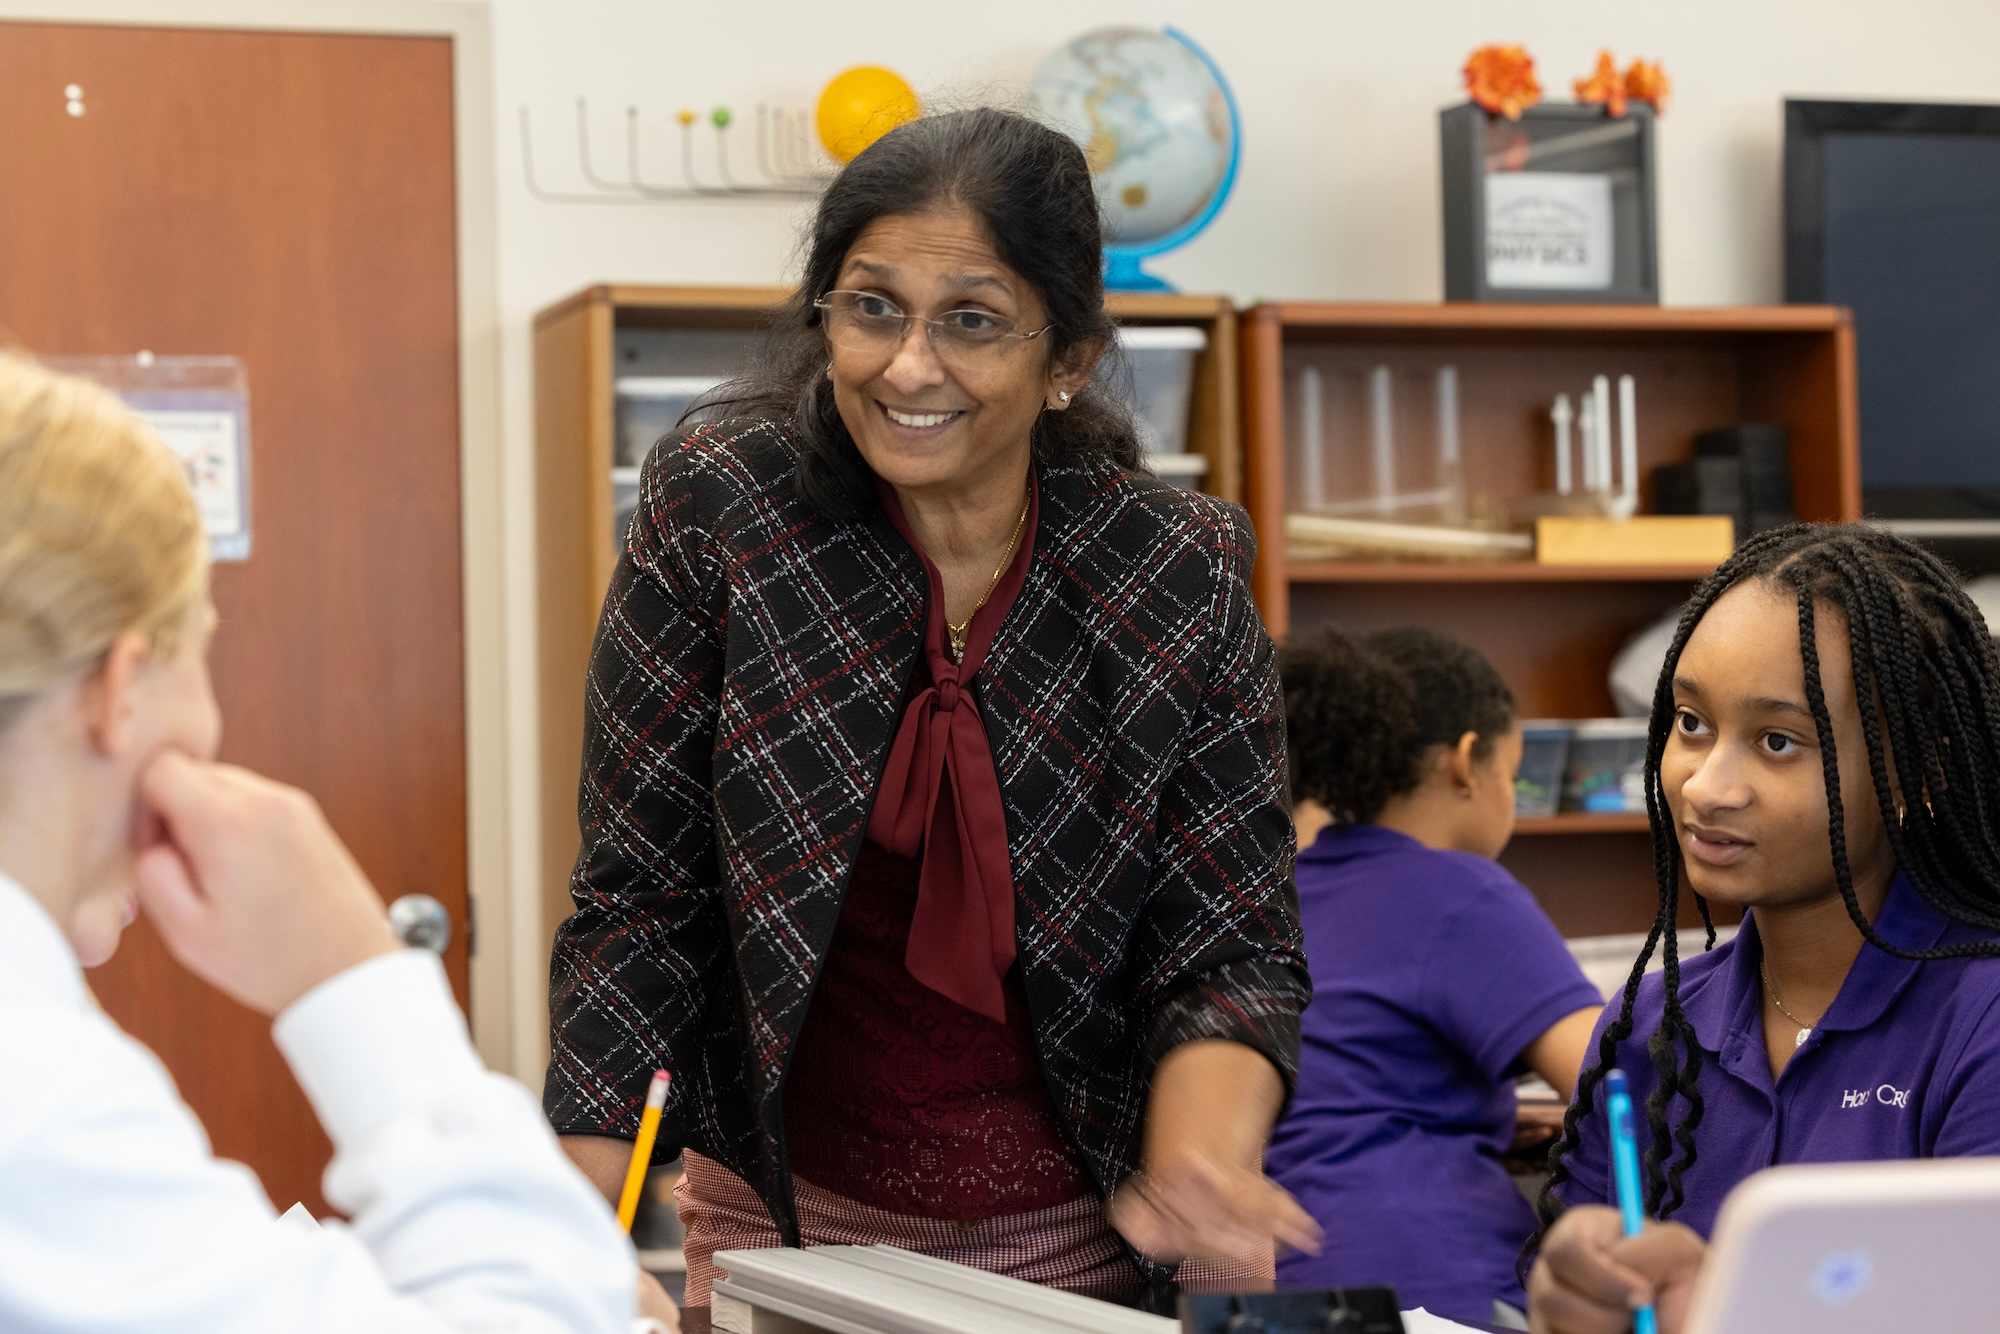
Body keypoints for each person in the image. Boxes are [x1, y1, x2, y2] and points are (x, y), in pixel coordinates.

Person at [543, 106, 1317, 1315]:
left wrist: (1200, 1157)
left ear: (1066, 360)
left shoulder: (1174, 564)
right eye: (871, 308)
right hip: (788, 1232)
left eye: (971, 319)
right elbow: (641, 898)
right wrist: (554, 1237)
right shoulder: (722, 509)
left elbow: (1227, 938)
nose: (907, 366)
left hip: (1097, 1244)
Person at [0, 354, 641, 1332]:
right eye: (200, 651)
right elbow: (555, 1312)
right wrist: (352, 977)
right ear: (119, 689)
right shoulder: (39, 1090)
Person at [1525, 522, 2000, 1334]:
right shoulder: (1649, 1023)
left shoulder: (1981, 1018)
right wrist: (1569, 1299)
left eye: (1778, 741)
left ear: (1921, 773)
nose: (1706, 787)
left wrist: (1720, 1308)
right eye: (1691, 723)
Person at [1266, 627, 1601, 1325]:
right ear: (1467, 761)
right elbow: (1618, 1086)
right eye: (1513, 773)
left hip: (1276, 1285)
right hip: (1431, 1285)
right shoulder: (1463, 892)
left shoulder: (1276, 895)